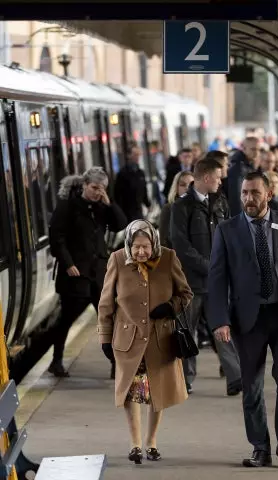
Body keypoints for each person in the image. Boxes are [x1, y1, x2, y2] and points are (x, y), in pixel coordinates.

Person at [208, 171, 278, 468]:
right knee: (252, 385)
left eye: (255, 193)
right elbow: (217, 280)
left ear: (268, 194)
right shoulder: (227, 230)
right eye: (244, 193)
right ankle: (260, 447)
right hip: (248, 319)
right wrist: (219, 319)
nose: (248, 199)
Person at [97, 220, 193, 464]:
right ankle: (135, 444)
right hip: (128, 340)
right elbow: (106, 303)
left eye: (146, 246)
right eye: (136, 247)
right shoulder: (118, 260)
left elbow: (186, 294)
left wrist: (170, 307)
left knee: (156, 391)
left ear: (154, 243)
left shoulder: (169, 258)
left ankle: (152, 442)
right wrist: (105, 338)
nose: (141, 252)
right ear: (129, 244)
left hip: (159, 340)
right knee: (132, 392)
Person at [170, 158, 241, 395]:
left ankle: (235, 378)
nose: (221, 182)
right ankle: (186, 380)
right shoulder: (182, 207)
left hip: (217, 283)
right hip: (191, 283)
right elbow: (181, 245)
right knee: (187, 332)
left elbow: (231, 236)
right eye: (219, 177)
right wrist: (210, 267)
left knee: (223, 329)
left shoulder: (220, 203)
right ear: (207, 178)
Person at [49, 167, 127, 377]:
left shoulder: (102, 208)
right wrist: (68, 264)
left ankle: (115, 364)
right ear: (84, 185)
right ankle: (56, 360)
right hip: (75, 273)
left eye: (101, 189)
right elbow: (57, 238)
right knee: (67, 318)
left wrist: (109, 203)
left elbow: (120, 225)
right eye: (94, 188)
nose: (97, 192)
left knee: (109, 318)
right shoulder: (67, 206)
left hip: (99, 273)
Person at [114, 145, 151, 222]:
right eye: (135, 154)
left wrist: (148, 204)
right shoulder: (123, 173)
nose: (137, 157)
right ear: (129, 155)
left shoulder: (140, 173)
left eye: (138, 155)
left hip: (138, 210)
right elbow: (118, 194)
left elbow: (144, 190)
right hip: (127, 211)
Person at [159, 171, 194, 247]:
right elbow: (163, 241)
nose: (187, 188)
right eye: (183, 185)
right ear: (176, 188)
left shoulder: (200, 208)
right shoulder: (168, 209)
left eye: (191, 184)